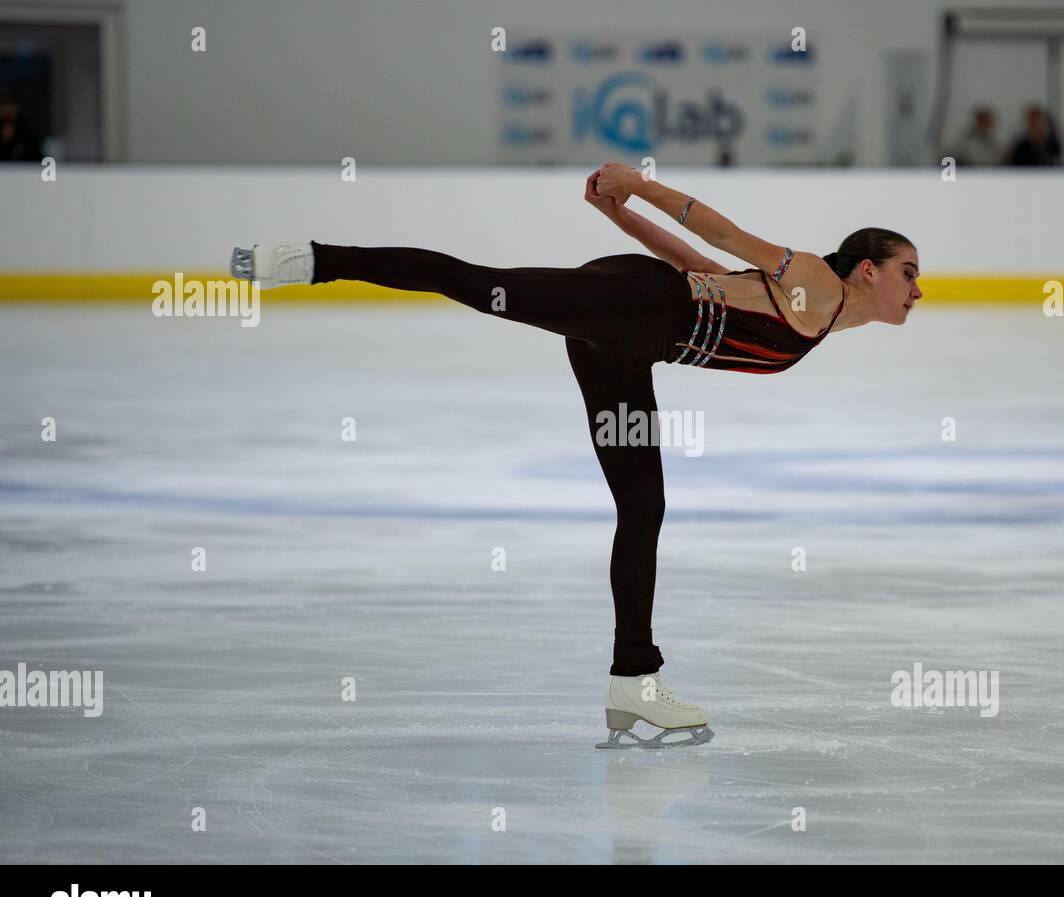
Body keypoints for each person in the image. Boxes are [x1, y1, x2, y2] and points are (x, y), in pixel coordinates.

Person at [230, 163, 923, 748]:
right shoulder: (815, 283)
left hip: (627, 344)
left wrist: (617, 214)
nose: (917, 290)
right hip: (632, 303)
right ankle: (312, 261)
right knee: (477, 282)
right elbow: (720, 233)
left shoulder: (815, 310)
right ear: (868, 269)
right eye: (908, 273)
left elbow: (702, 266)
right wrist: (638, 184)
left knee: (643, 509)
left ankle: (633, 683)